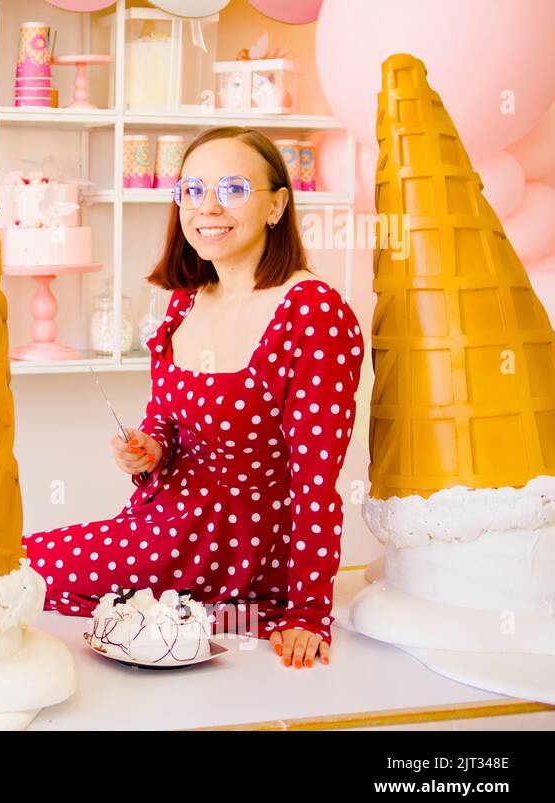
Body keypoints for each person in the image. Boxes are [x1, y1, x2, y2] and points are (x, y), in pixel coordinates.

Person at [23, 127, 365, 669]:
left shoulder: (312, 312)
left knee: (14, 569)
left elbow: (315, 482)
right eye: (192, 189)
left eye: (232, 189)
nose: (208, 207)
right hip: (164, 526)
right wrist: (150, 449)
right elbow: (165, 417)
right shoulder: (187, 301)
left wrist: (307, 611)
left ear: (277, 205)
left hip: (232, 549)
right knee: (12, 563)